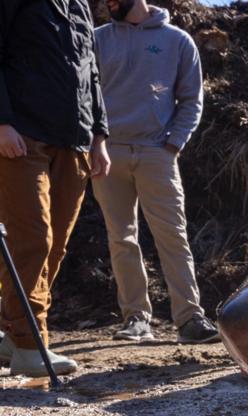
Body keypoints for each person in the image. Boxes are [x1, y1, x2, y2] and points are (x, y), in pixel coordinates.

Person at [92, 0, 219, 344]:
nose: (108, 4)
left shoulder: (177, 41)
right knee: (121, 238)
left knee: (173, 235)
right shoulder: (97, 39)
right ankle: (136, 319)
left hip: (157, 153)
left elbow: (192, 99)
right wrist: (94, 141)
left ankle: (190, 318)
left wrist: (173, 144)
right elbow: (85, 95)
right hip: (108, 152)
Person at [0, 0, 111, 377]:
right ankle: (32, 345)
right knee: (33, 237)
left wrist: (100, 135)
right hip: (22, 134)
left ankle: (12, 333)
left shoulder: (81, 5)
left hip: (74, 139)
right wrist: (1, 122)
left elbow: (91, 72)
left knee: (56, 243)